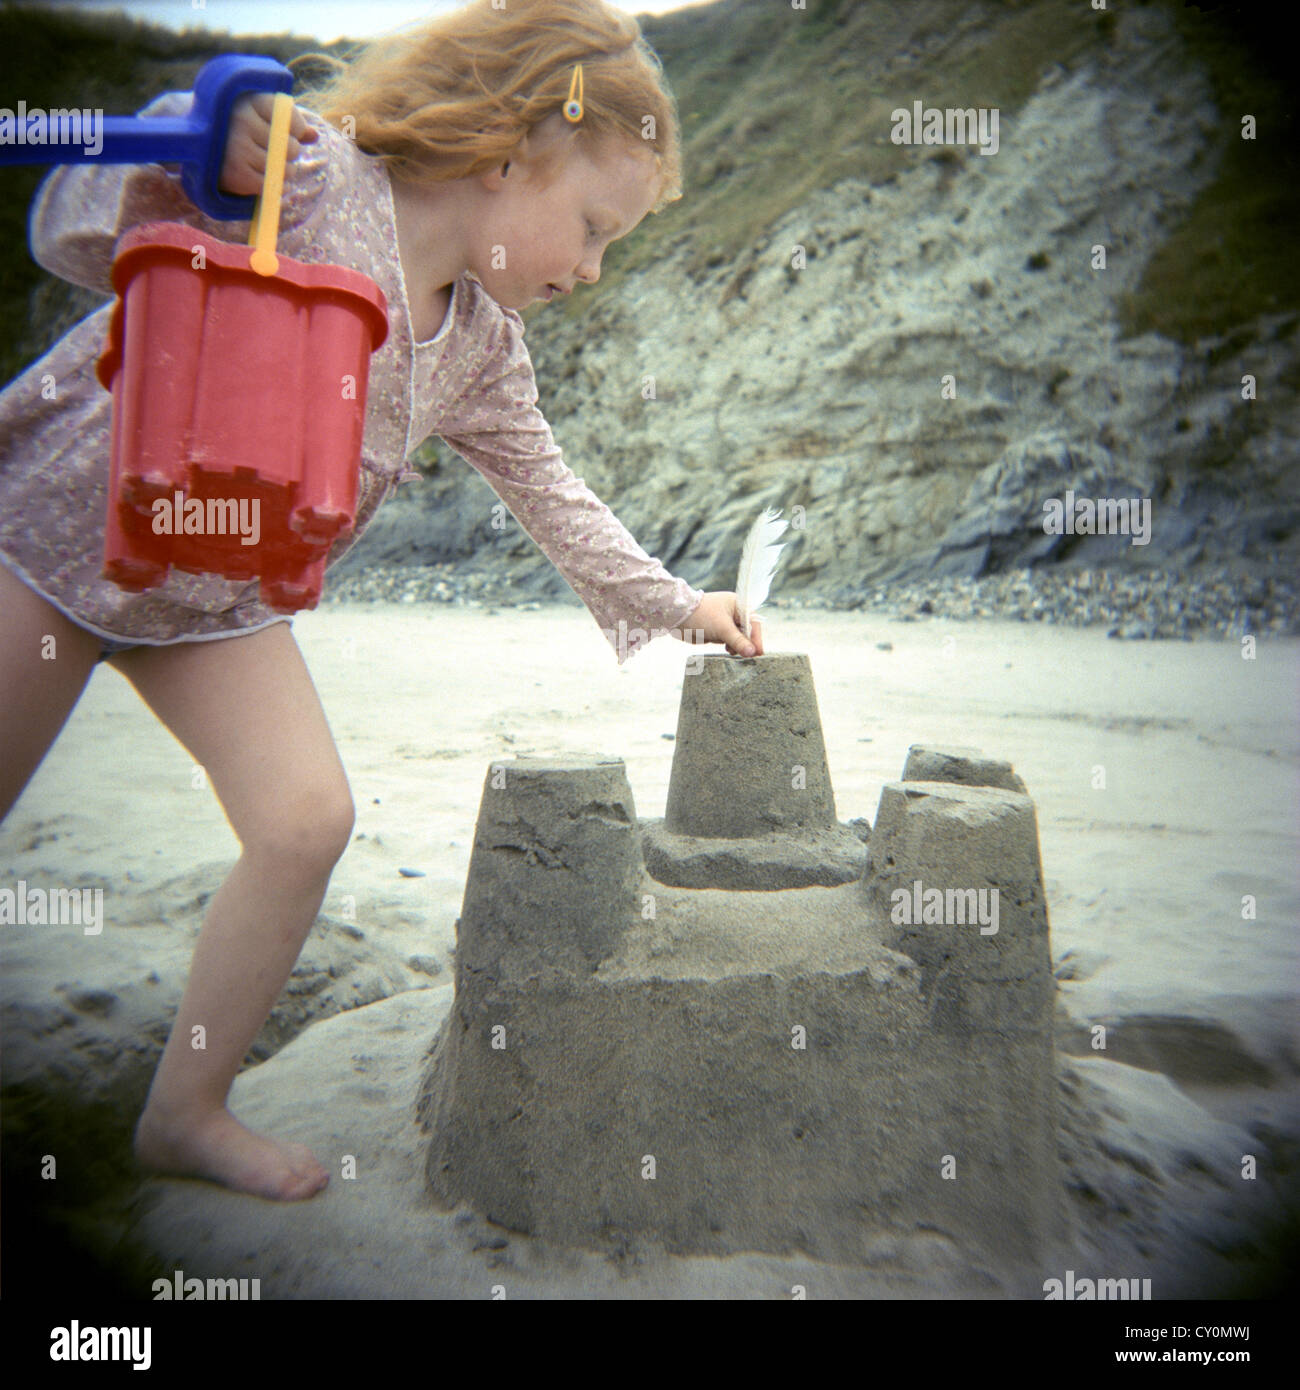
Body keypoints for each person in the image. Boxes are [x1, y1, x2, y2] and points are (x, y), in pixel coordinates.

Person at [0, 0, 763, 1201]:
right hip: (54, 538)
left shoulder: (480, 348)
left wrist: (680, 606)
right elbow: (73, 219)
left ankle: (185, 1110)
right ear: (510, 152)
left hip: (213, 601)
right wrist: (200, 129)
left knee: (304, 821)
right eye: (592, 227)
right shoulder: (306, 179)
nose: (591, 268)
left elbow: (556, 500)